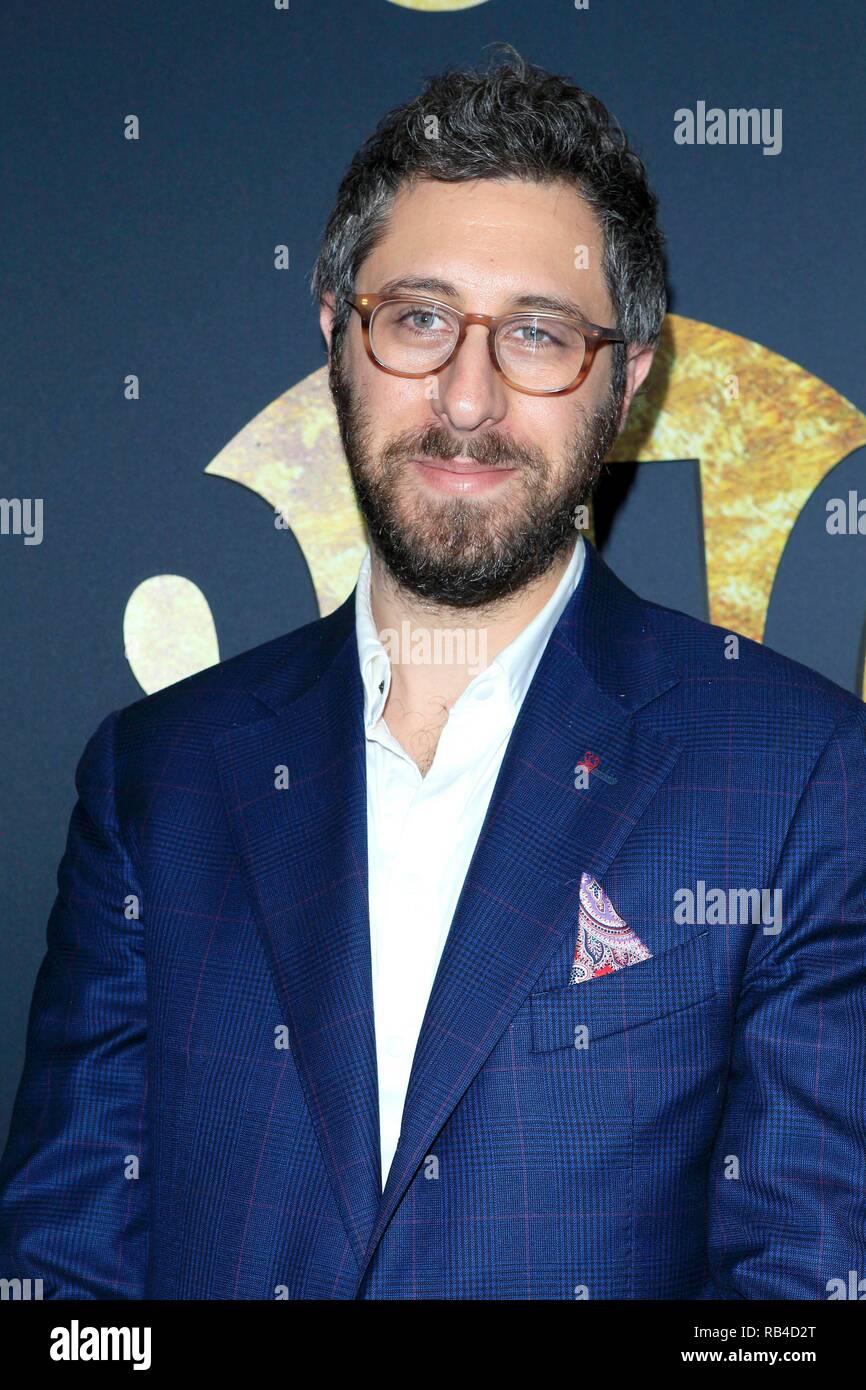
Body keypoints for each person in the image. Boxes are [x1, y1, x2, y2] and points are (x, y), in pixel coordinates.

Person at [1, 46, 864, 1301]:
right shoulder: (157, 778)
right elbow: (63, 1288)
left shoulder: (798, 779)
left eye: (534, 334)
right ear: (334, 341)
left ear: (624, 382)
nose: (465, 397)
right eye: (416, 319)